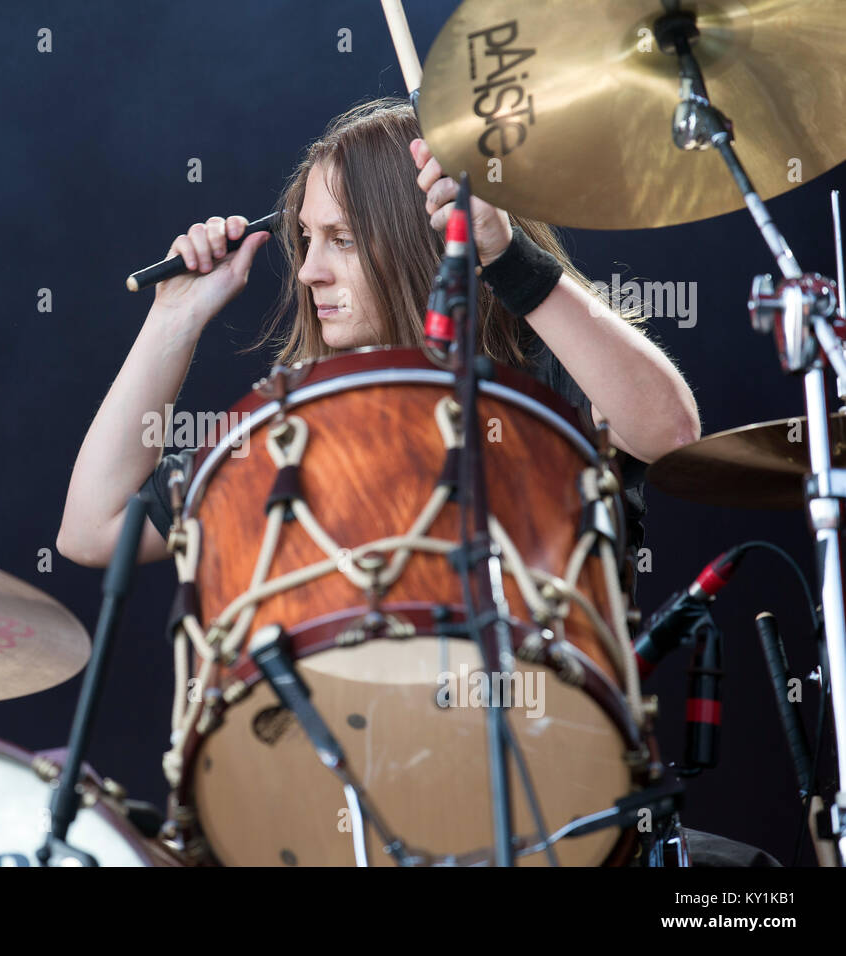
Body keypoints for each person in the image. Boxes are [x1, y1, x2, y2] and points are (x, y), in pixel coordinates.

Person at [58, 98, 777, 866]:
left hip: (555, 789)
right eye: (306, 239)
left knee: (744, 896)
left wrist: (506, 255)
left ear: (419, 235)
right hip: (344, 794)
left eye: (340, 239)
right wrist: (175, 318)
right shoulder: (302, 434)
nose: (308, 270)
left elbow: (669, 433)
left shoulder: (542, 384)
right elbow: (91, 528)